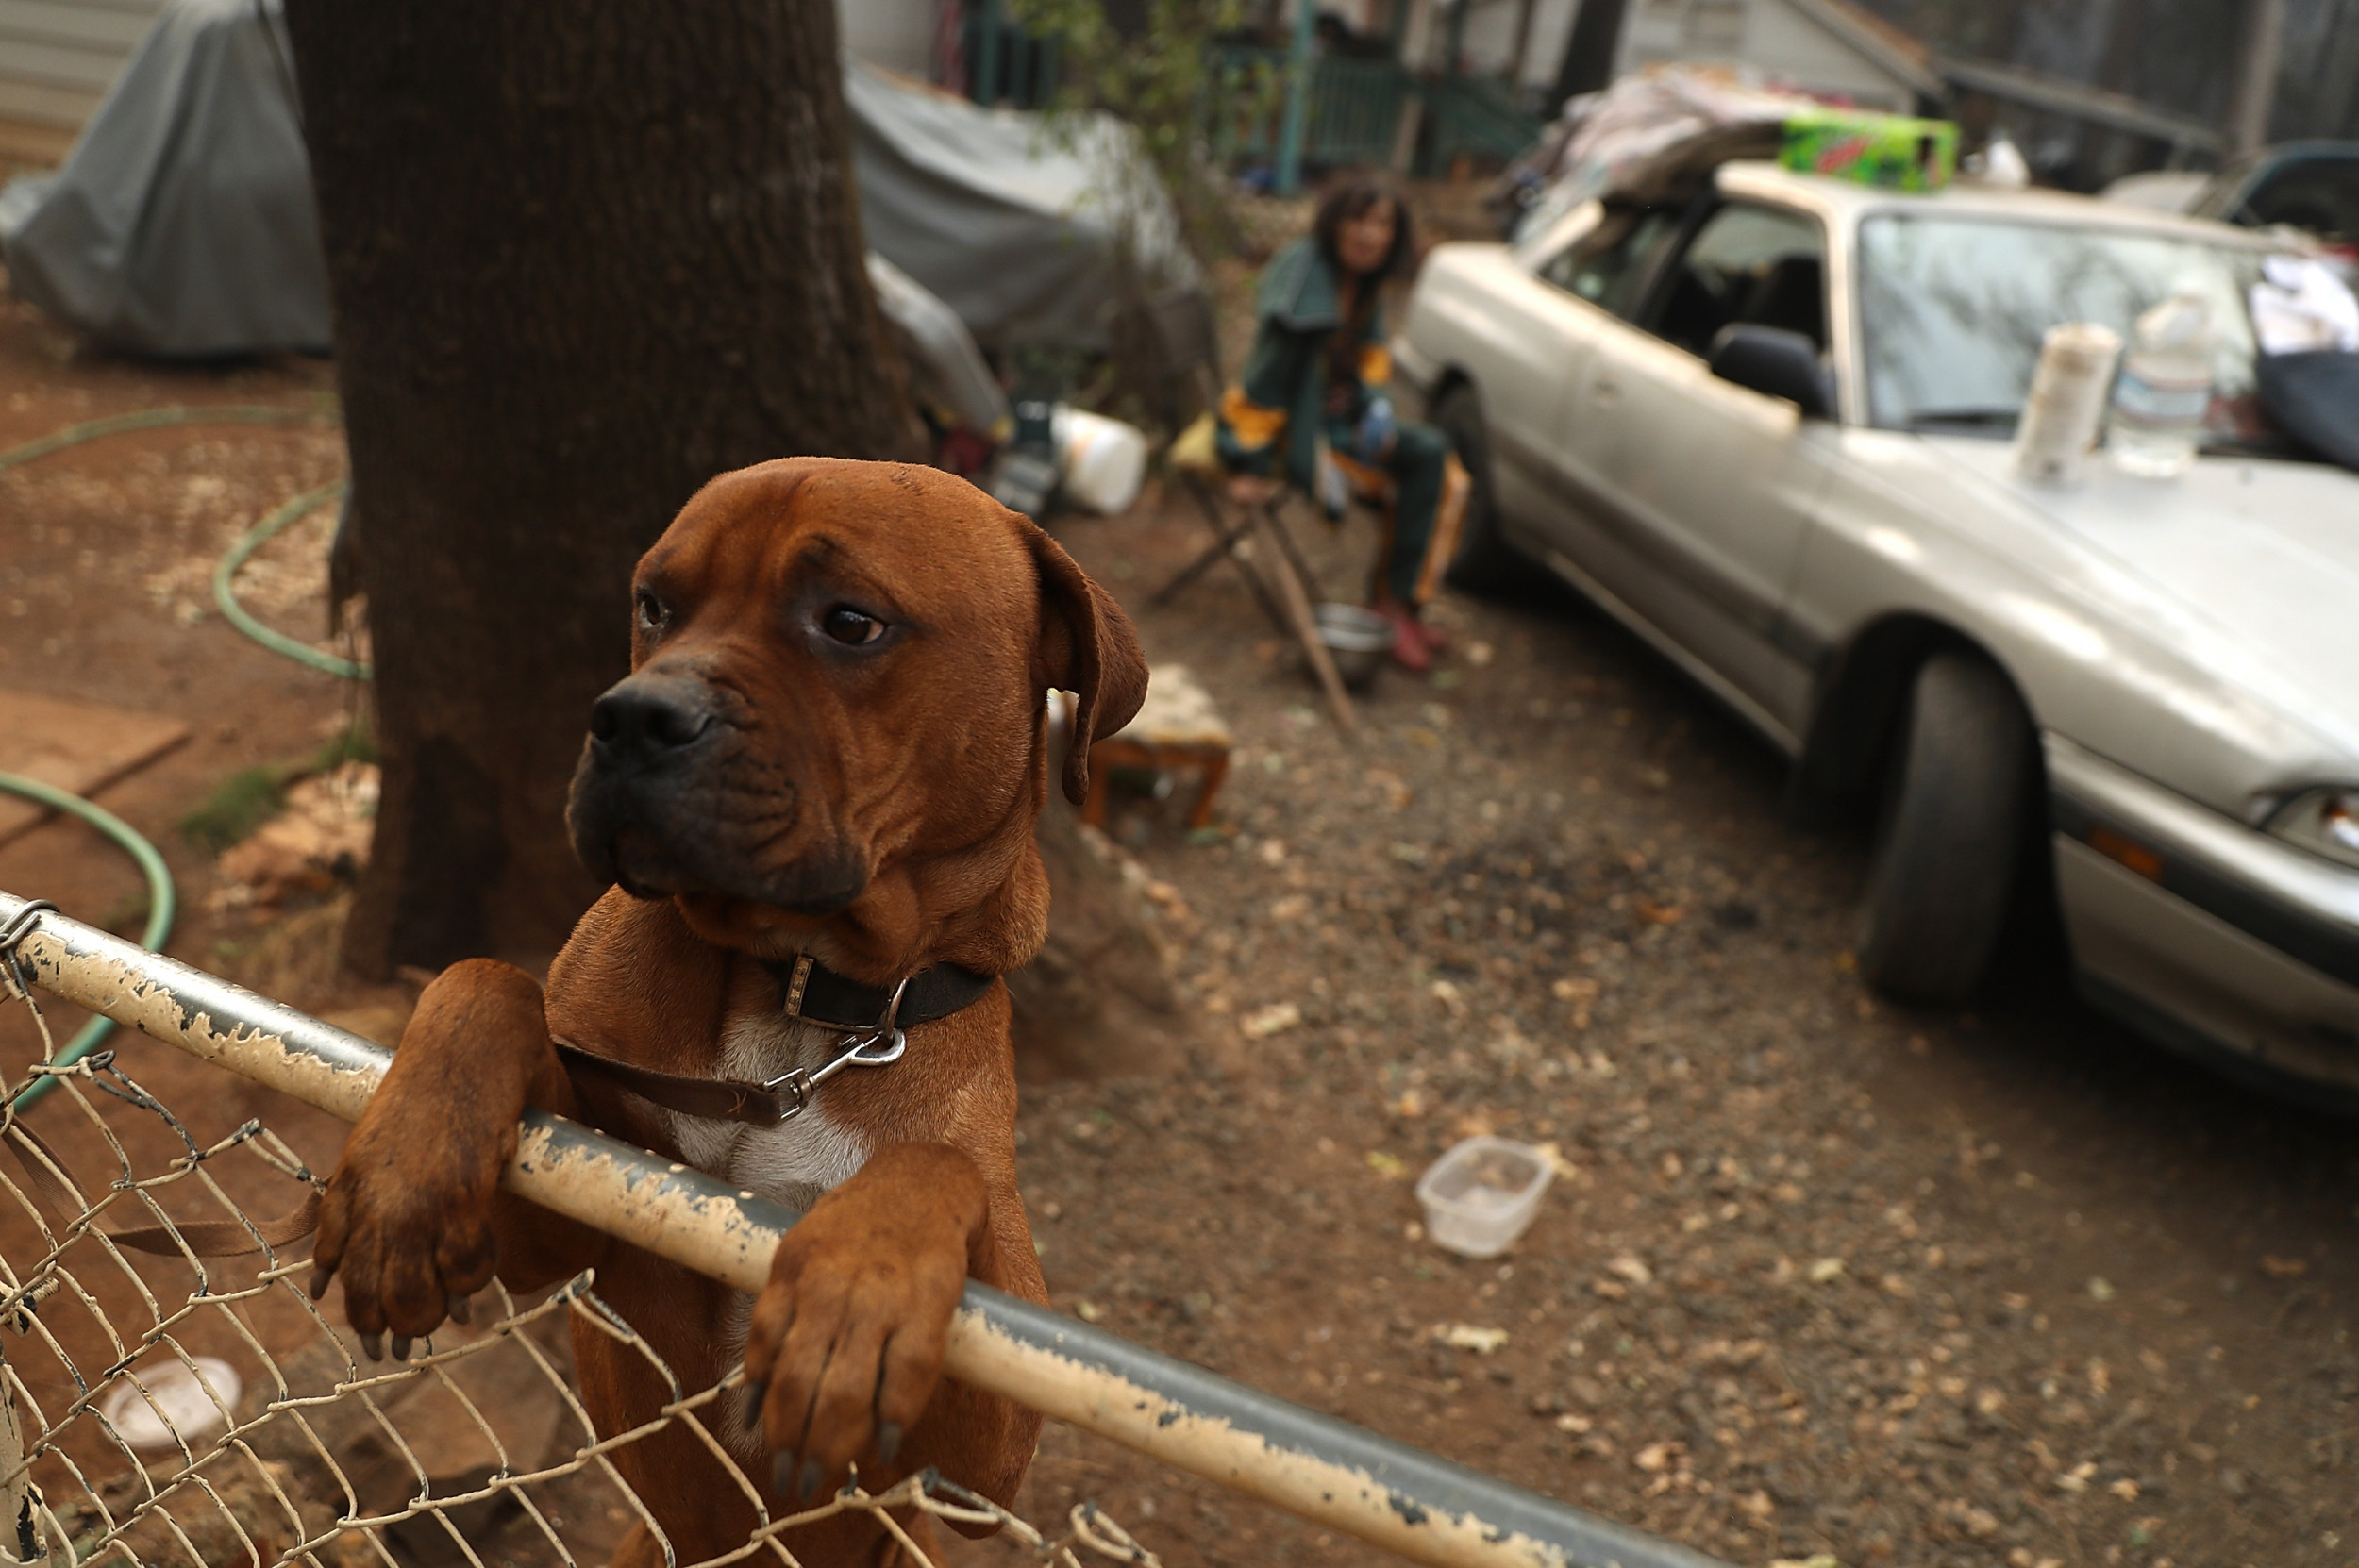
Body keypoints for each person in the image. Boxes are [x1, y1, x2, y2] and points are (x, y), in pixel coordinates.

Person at [1215, 175, 1465, 671]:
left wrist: (1377, 406)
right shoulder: (1305, 287)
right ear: (1335, 223)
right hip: (1303, 434)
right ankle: (1394, 610)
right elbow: (1263, 384)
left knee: (1439, 462)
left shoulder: (1363, 285)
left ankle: (1397, 606)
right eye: (1358, 219)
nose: (1369, 234)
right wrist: (1249, 463)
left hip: (1347, 421)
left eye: (1382, 223)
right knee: (1428, 477)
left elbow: (1371, 357)